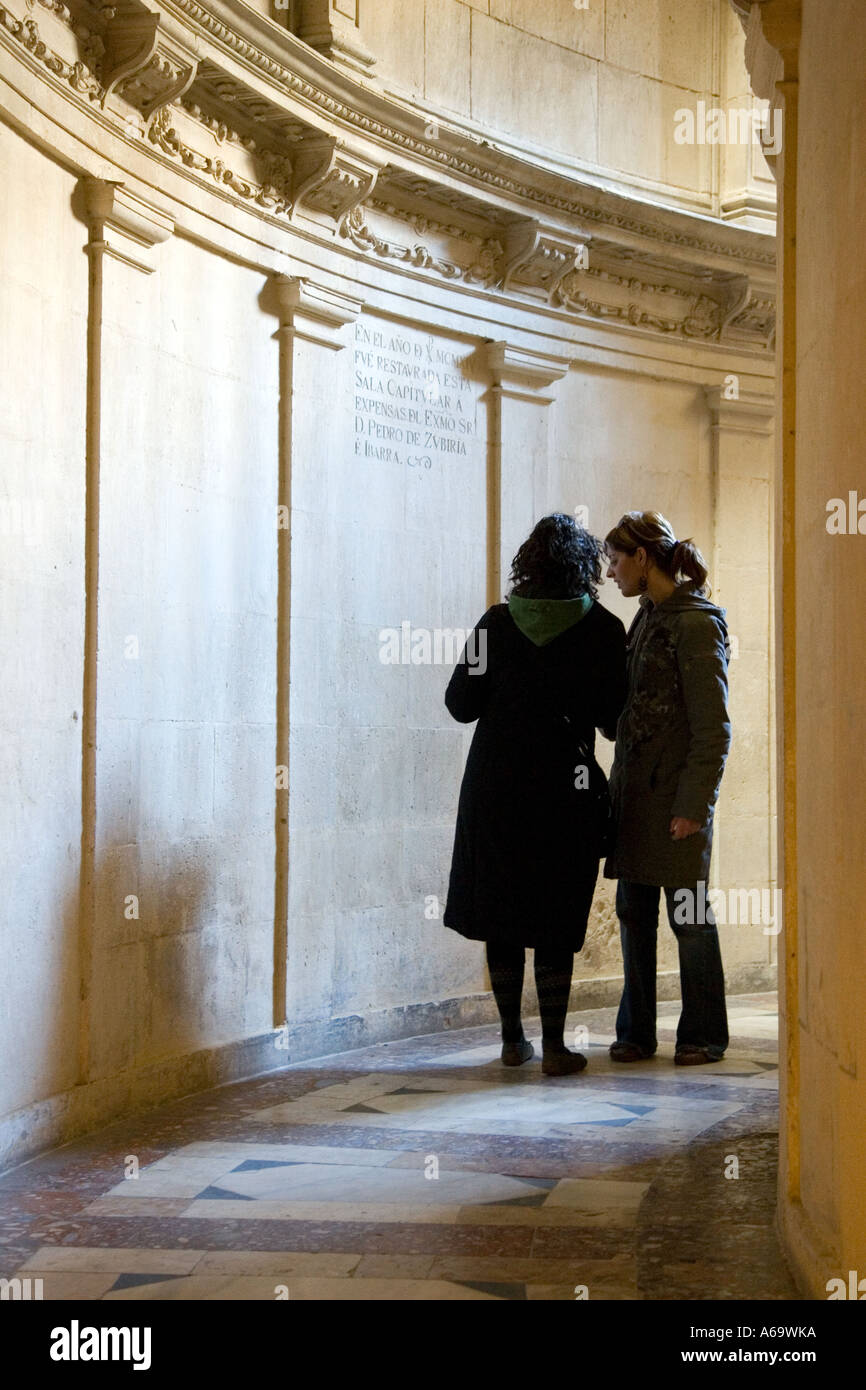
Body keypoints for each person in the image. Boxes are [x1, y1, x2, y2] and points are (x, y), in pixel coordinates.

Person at [443, 513, 626, 1076]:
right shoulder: (605, 629)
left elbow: (459, 703)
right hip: (564, 791)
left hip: (495, 787)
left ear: (528, 562)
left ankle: (509, 1039)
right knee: (554, 914)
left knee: (500, 913)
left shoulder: (495, 623)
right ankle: (554, 1047)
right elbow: (612, 721)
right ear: (585, 566)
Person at [603, 511, 731, 1066]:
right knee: (633, 916)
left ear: (643, 559)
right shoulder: (646, 616)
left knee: (691, 921)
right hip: (634, 799)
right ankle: (636, 1032)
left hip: (675, 805)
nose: (610, 572)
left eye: (615, 560)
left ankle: (703, 1034)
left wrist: (694, 807)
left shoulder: (696, 622)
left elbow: (713, 727)